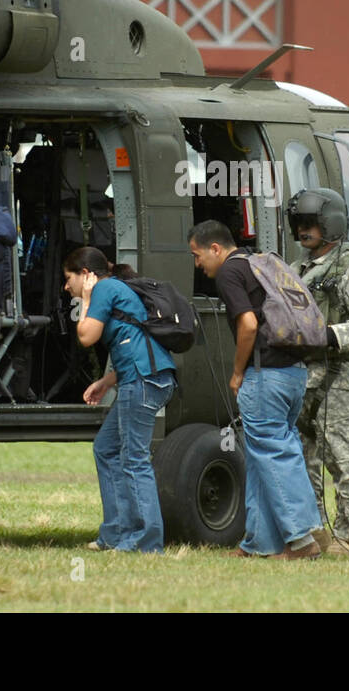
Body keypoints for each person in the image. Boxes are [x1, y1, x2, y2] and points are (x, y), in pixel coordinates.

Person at [188, 220, 323, 559]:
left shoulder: (230, 273)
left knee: (274, 453)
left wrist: (237, 373)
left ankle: (303, 539)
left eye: (197, 255)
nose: (197, 264)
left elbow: (248, 324)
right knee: (267, 455)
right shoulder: (259, 263)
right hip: (294, 374)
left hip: (265, 375)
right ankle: (259, 543)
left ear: (215, 248)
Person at [287, 188, 349, 556]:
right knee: (303, 457)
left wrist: (330, 335)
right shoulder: (297, 269)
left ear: (330, 224)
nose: (303, 230)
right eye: (299, 223)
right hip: (299, 375)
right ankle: (313, 530)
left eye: (310, 223)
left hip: (336, 374)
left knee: (347, 457)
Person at [64, 246, 177, 553]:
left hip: (143, 381)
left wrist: (86, 300)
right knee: (106, 448)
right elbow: (134, 339)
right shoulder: (116, 288)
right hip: (142, 377)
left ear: (86, 275)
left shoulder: (104, 289)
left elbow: (86, 336)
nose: (66, 286)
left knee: (133, 459)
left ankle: (146, 540)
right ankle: (115, 533)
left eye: (69, 278)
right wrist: (106, 380)